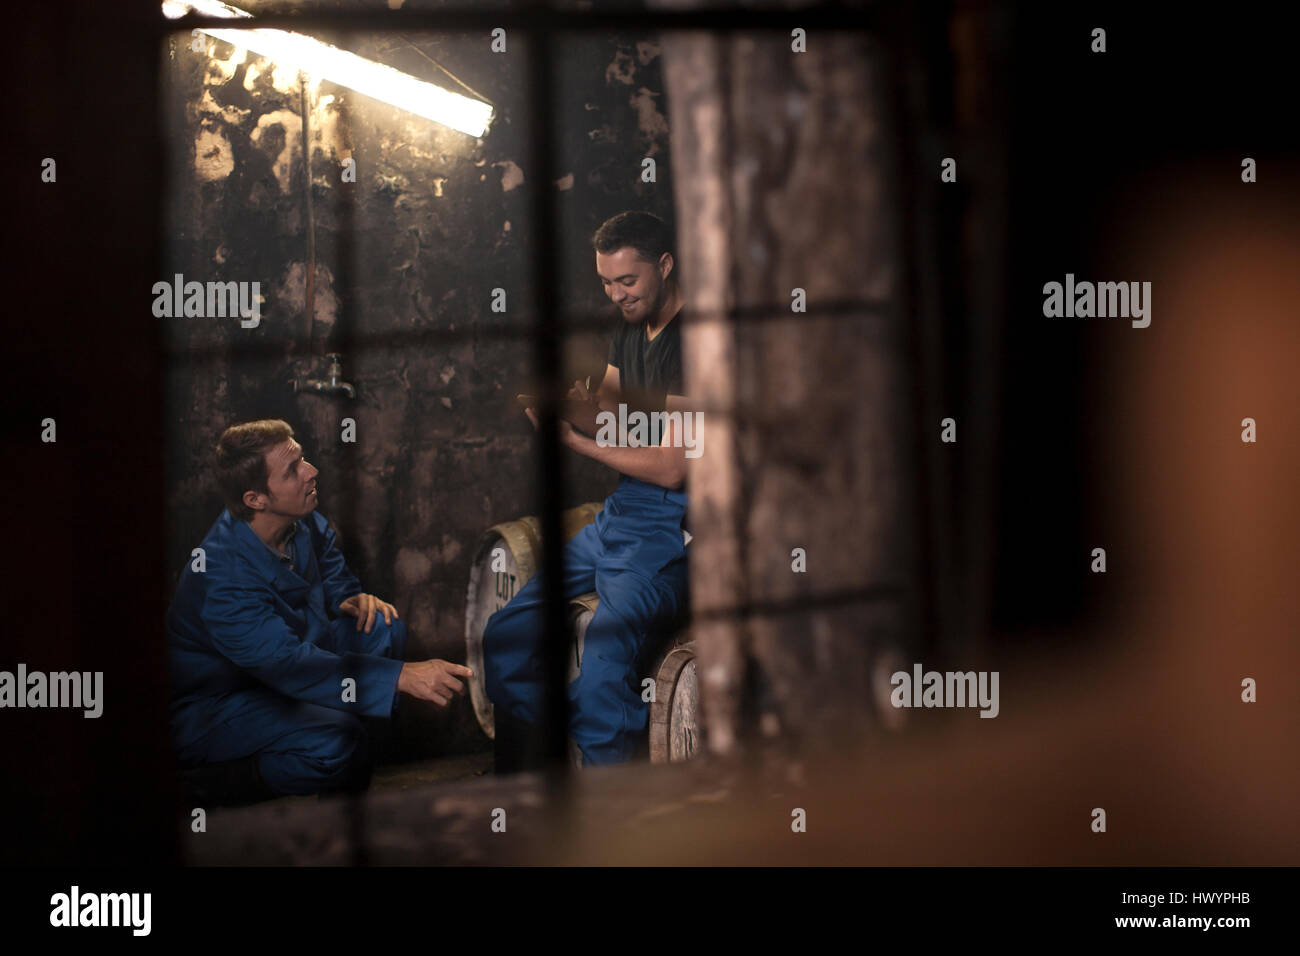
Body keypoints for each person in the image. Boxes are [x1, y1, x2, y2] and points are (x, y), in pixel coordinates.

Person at [167, 419, 471, 805]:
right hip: (224, 699)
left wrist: (346, 597)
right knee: (338, 740)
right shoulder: (221, 577)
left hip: (289, 653)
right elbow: (288, 664)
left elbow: (327, 561)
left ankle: (346, 782)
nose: (312, 471)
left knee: (383, 628)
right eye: (292, 470)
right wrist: (400, 676)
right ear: (255, 499)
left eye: (303, 458)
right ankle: (218, 784)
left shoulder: (298, 516)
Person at [484, 210, 692, 769]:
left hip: (671, 524)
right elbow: (611, 409)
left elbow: (674, 466)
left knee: (602, 680)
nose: (617, 294)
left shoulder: (697, 340)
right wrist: (566, 405)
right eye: (606, 281)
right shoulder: (630, 325)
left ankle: (613, 822)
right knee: (506, 634)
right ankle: (545, 773)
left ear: (665, 265)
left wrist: (575, 444)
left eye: (628, 280)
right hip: (621, 512)